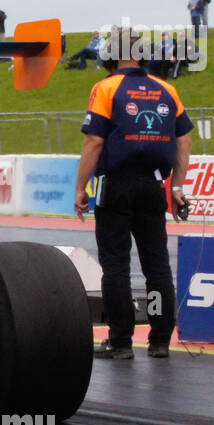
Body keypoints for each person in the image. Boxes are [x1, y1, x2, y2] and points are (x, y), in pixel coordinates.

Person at [75, 27, 193, 360]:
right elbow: (184, 140)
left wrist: (80, 187)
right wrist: (178, 187)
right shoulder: (166, 88)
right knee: (157, 267)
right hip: (155, 186)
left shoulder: (106, 88)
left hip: (116, 185)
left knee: (116, 267)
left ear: (109, 55)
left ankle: (121, 340)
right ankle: (159, 341)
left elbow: (94, 140)